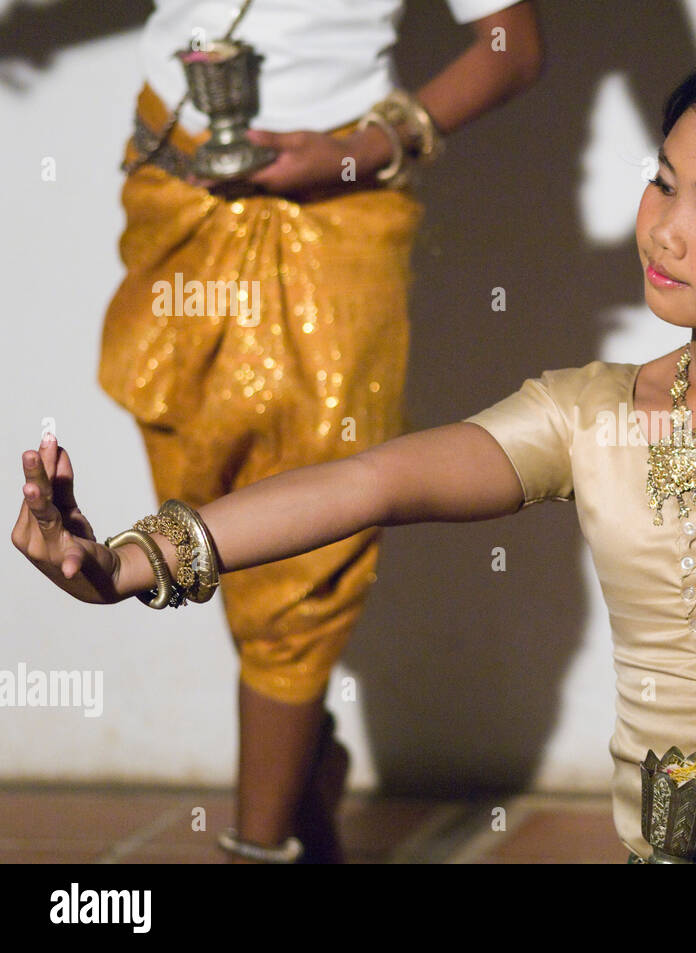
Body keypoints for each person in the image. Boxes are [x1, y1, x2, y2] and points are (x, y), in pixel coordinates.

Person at [16, 44, 696, 864]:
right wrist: (124, 562)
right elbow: (372, 481)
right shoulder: (591, 412)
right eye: (661, 185)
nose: (665, 233)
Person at [94, 0, 544, 862]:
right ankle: (303, 766)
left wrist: (355, 153)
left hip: (334, 207)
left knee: (308, 552)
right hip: (172, 179)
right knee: (212, 503)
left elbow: (510, 45)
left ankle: (254, 845)